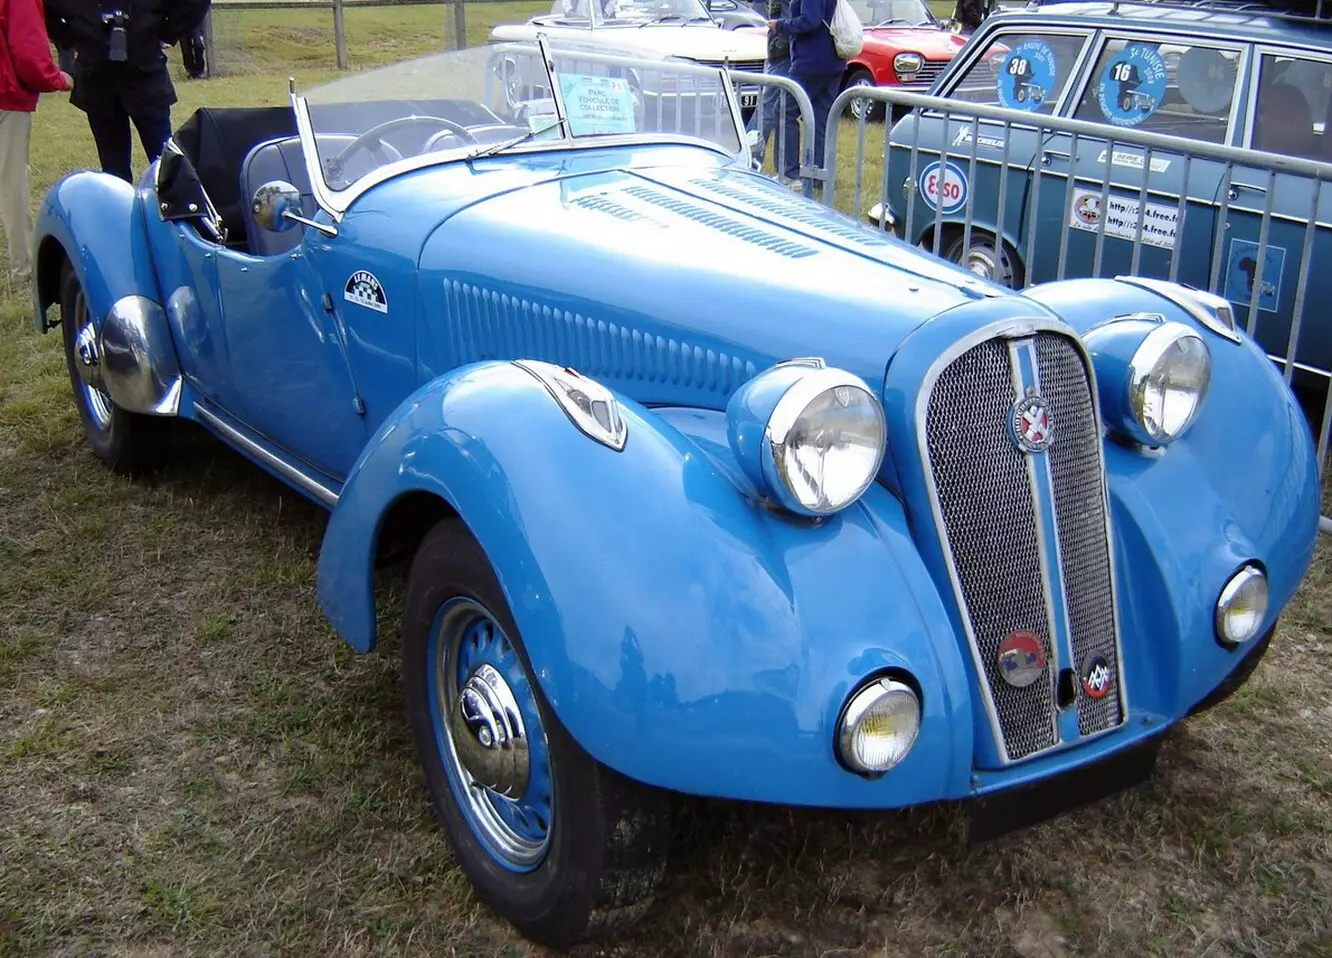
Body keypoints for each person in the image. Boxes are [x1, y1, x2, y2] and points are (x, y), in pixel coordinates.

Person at [45, 0, 211, 182]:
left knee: (164, 162)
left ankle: (174, 205)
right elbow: (44, 7)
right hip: (97, 74)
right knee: (113, 169)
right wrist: (71, 37)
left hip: (144, 70)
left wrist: (167, 33)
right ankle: (120, 207)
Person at [0, 0, 72, 277]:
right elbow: (28, 50)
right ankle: (24, 262)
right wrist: (56, 79)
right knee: (11, 180)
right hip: (6, 95)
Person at [769, 0, 844, 189]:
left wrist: (781, 25)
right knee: (821, 119)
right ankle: (819, 176)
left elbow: (810, 20)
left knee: (784, 112)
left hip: (810, 63)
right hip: (833, 61)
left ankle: (789, 174)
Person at [749, 0, 800, 186]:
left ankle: (749, 160)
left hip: (782, 56)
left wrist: (777, 47)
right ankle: (781, 169)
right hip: (781, 53)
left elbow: (789, 19)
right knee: (776, 110)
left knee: (769, 110)